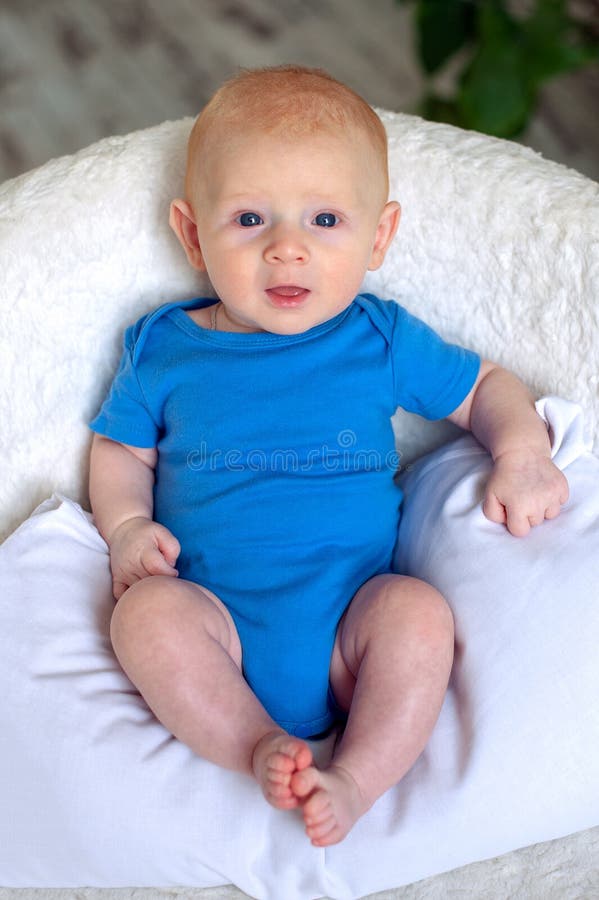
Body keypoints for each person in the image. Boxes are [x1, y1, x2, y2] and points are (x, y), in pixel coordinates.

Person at [88, 65, 568, 847]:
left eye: (323, 220)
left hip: (352, 623)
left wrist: (520, 452)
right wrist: (126, 527)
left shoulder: (374, 339)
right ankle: (252, 743)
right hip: (219, 629)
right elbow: (119, 451)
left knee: (418, 616)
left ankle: (355, 777)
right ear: (191, 233)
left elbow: (484, 388)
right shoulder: (164, 349)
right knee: (144, 618)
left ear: (377, 237)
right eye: (248, 219)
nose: (286, 250)